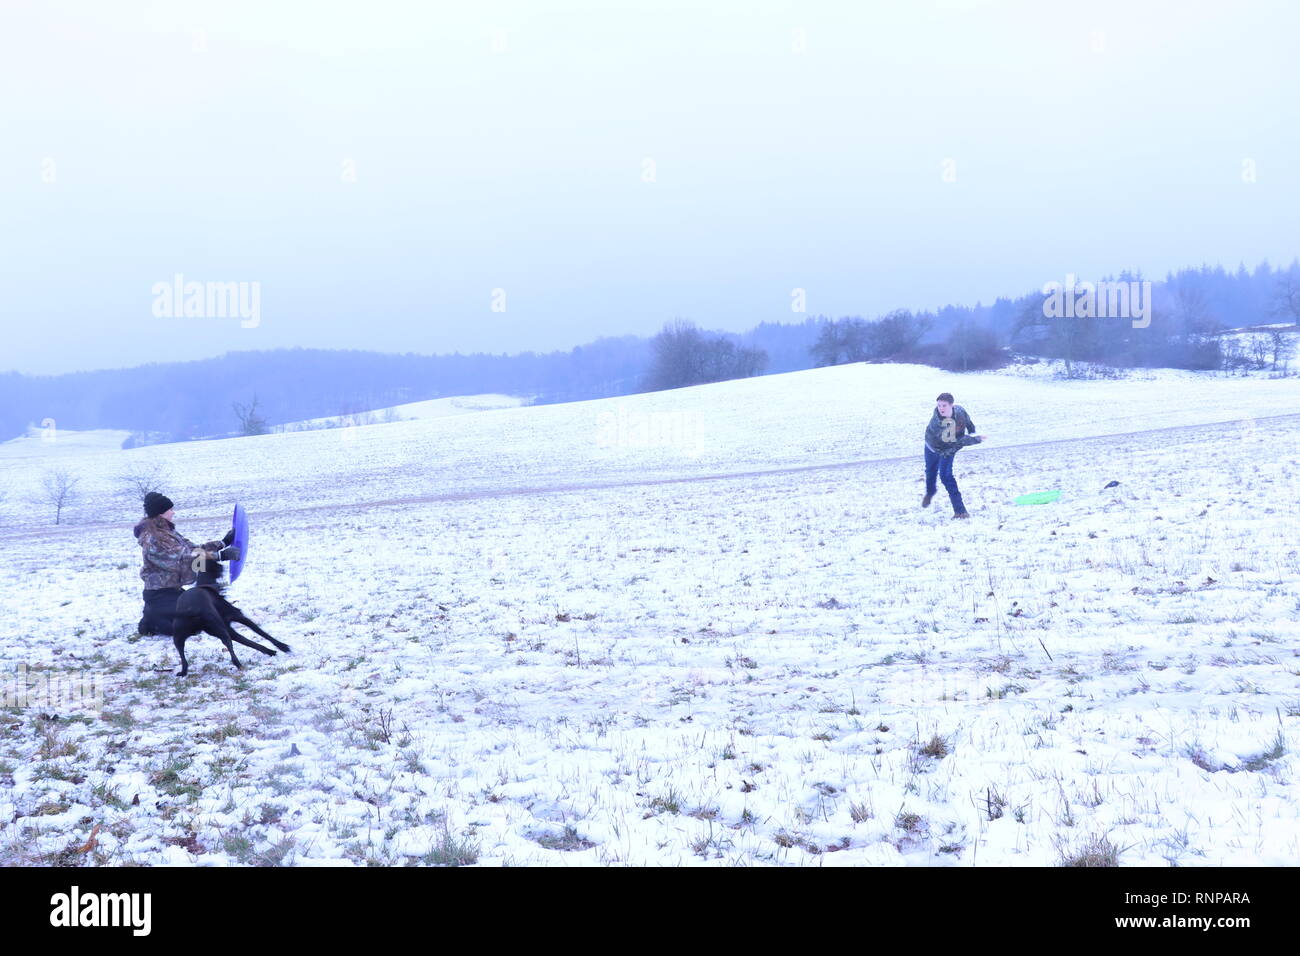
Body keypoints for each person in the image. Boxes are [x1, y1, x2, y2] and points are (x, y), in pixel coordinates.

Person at [134, 492, 239, 636]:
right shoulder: (152, 539)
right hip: (159, 594)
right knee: (189, 626)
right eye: (170, 510)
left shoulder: (167, 531)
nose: (173, 512)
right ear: (160, 513)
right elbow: (182, 557)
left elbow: (192, 549)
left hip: (174, 590)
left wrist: (222, 543)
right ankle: (151, 618)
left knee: (203, 613)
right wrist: (219, 556)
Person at [923, 392, 988, 519]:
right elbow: (959, 441)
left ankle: (960, 512)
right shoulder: (940, 422)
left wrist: (973, 433)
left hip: (949, 448)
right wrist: (977, 439)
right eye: (939, 405)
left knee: (946, 476)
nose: (941, 408)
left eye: (944, 405)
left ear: (952, 405)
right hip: (933, 447)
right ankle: (930, 493)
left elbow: (969, 423)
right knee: (930, 472)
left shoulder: (960, 411)